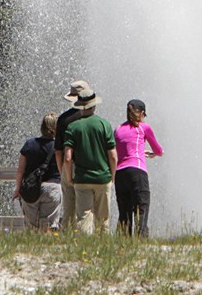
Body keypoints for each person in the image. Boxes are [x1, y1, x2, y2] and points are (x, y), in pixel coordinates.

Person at [62, 90, 116, 235]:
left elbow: (67, 158)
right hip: (103, 178)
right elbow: (113, 156)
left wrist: (69, 177)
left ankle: (85, 246)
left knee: (83, 218)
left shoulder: (72, 127)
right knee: (103, 219)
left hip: (82, 179)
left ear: (80, 106)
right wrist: (113, 176)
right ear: (94, 106)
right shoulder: (104, 124)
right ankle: (103, 249)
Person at [114, 98, 163, 237]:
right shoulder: (143, 127)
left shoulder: (117, 129)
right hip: (137, 171)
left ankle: (124, 241)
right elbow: (158, 150)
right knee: (141, 208)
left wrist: (141, 151)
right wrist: (156, 153)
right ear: (141, 113)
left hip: (120, 173)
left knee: (124, 212)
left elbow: (123, 150)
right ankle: (141, 240)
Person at [13, 113, 63, 231]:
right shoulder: (58, 146)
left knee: (31, 226)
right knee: (50, 227)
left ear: (42, 126)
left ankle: (32, 247)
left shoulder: (29, 144)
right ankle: (48, 247)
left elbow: (20, 170)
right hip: (52, 187)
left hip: (30, 188)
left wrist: (18, 189)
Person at [54, 79, 91, 229]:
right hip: (88, 165)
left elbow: (58, 151)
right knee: (87, 205)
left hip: (69, 164)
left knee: (69, 204)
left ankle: (68, 235)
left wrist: (61, 169)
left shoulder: (63, 119)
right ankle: (87, 235)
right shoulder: (91, 118)